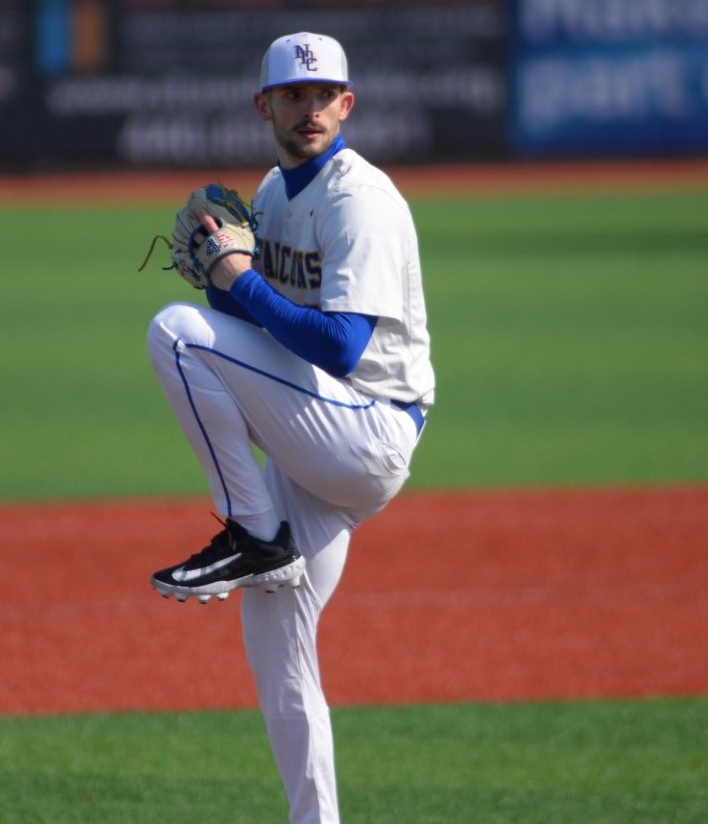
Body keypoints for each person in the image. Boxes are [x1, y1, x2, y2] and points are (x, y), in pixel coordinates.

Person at [145, 31, 435, 824]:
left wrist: (236, 282)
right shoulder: (273, 192)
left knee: (174, 334)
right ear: (263, 105)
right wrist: (217, 276)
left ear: (346, 105)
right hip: (317, 436)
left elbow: (340, 346)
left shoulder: (358, 199)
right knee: (276, 648)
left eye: (323, 95)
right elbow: (253, 327)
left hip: (368, 428)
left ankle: (251, 530)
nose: (309, 109)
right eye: (293, 95)